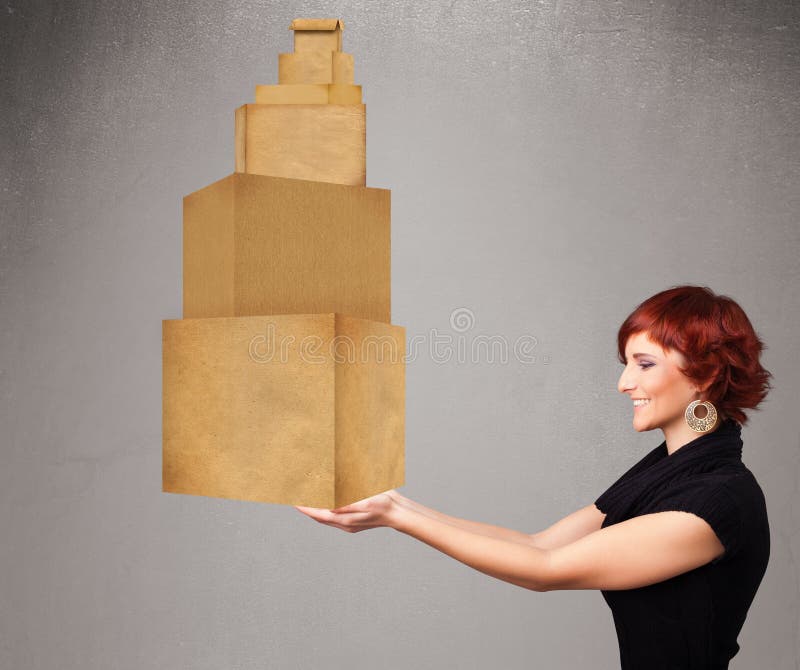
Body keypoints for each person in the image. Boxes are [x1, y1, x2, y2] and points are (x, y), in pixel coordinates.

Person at [295, 285, 772, 669]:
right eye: (625, 363)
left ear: (705, 374)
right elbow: (541, 544)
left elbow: (545, 572)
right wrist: (394, 504)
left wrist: (397, 516)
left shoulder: (719, 498)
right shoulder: (665, 470)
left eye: (644, 364)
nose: (624, 383)